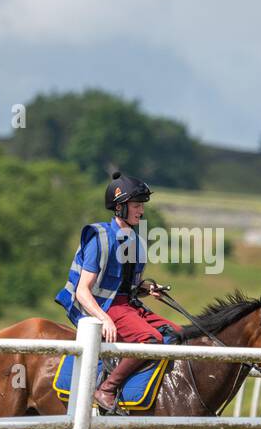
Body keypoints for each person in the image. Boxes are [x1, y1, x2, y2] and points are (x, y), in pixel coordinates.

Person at [55, 172, 178, 414]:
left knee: (178, 334)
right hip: (106, 308)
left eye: (142, 206)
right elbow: (82, 291)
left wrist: (147, 288)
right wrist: (105, 319)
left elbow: (126, 286)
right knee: (150, 340)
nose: (141, 211)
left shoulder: (137, 242)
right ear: (120, 207)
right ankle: (107, 389)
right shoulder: (100, 238)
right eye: (136, 206)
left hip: (127, 306)